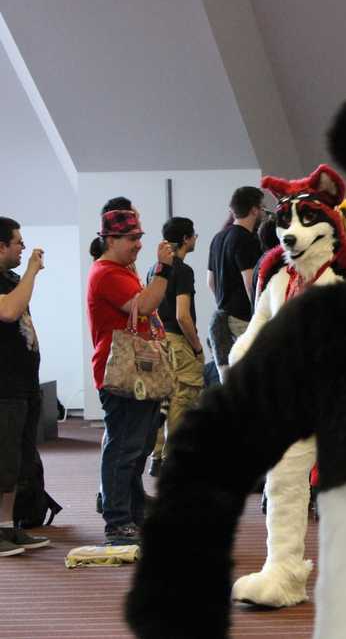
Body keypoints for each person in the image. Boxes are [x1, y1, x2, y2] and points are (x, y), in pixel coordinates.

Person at [87, 209, 175, 545]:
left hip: (135, 375)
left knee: (135, 450)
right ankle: (117, 522)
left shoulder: (119, 271)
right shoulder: (107, 273)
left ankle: (131, 514)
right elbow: (147, 304)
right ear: (110, 240)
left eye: (139, 237)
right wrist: (163, 269)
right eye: (132, 238)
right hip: (122, 377)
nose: (139, 244)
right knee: (124, 449)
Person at [0, 217, 51, 556]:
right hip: (3, 387)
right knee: (3, 461)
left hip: (24, 384)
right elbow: (8, 311)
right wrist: (32, 271)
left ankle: (8, 527)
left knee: (18, 463)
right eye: (17, 241)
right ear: (1, 246)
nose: (23, 247)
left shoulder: (11, 279)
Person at [146, 218, 205, 478]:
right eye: (193, 235)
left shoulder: (154, 269)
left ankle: (157, 457)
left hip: (157, 339)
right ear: (185, 239)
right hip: (178, 342)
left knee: (162, 399)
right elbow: (183, 315)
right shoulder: (183, 271)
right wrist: (197, 347)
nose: (195, 238)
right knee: (183, 399)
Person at [207, 186, 264, 382]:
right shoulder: (246, 239)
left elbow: (210, 282)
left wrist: (225, 302)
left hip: (225, 318)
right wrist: (259, 316)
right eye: (262, 208)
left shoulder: (218, 238)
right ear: (254, 210)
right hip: (244, 319)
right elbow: (250, 282)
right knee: (253, 376)